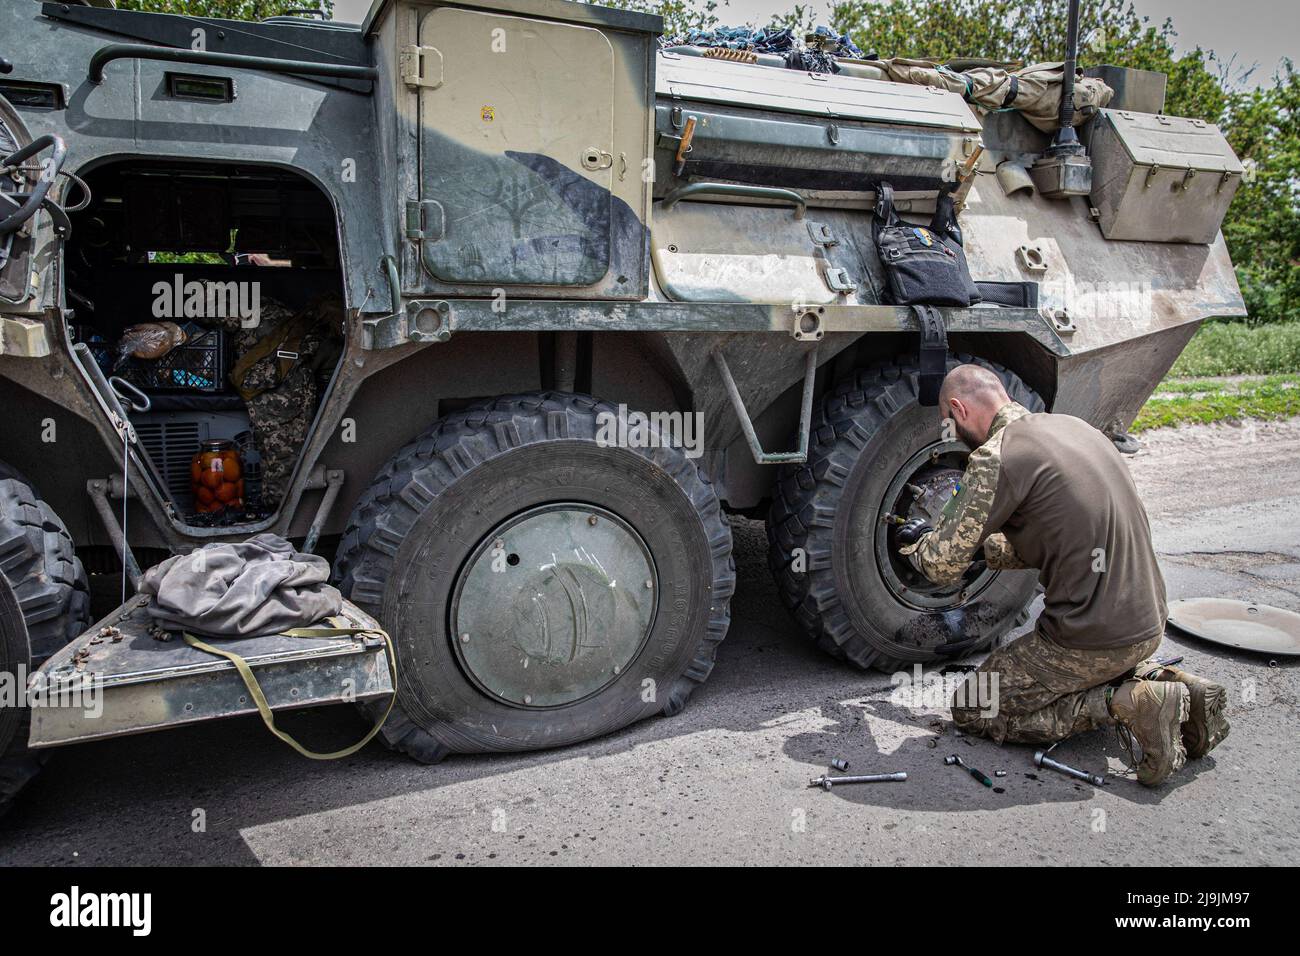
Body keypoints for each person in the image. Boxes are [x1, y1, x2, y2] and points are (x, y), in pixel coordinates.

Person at [895, 364, 1228, 786]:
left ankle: (1125, 702)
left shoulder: (995, 456)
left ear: (958, 409)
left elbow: (940, 566)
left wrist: (919, 540)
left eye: (949, 422)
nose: (951, 432)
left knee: (974, 706)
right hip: (1148, 623)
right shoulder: (1076, 428)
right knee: (1090, 662)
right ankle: (1179, 685)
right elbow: (1053, 536)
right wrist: (984, 548)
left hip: (1089, 640)